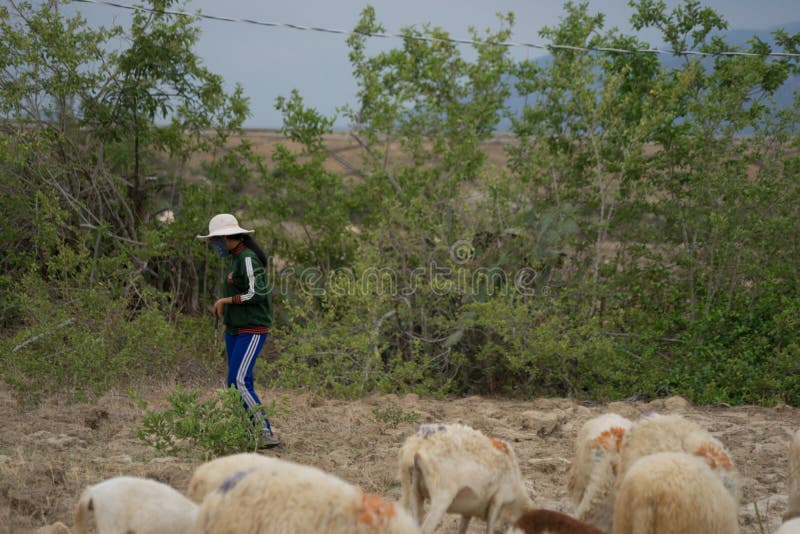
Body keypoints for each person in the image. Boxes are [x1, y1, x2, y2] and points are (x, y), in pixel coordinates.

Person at [197, 213, 280, 448]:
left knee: (239, 381)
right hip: (235, 329)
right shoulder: (235, 259)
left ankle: (264, 432)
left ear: (226, 238)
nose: (215, 246)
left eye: (215, 241)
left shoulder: (247, 258)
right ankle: (248, 431)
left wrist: (226, 301)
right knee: (235, 382)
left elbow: (257, 293)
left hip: (251, 328)